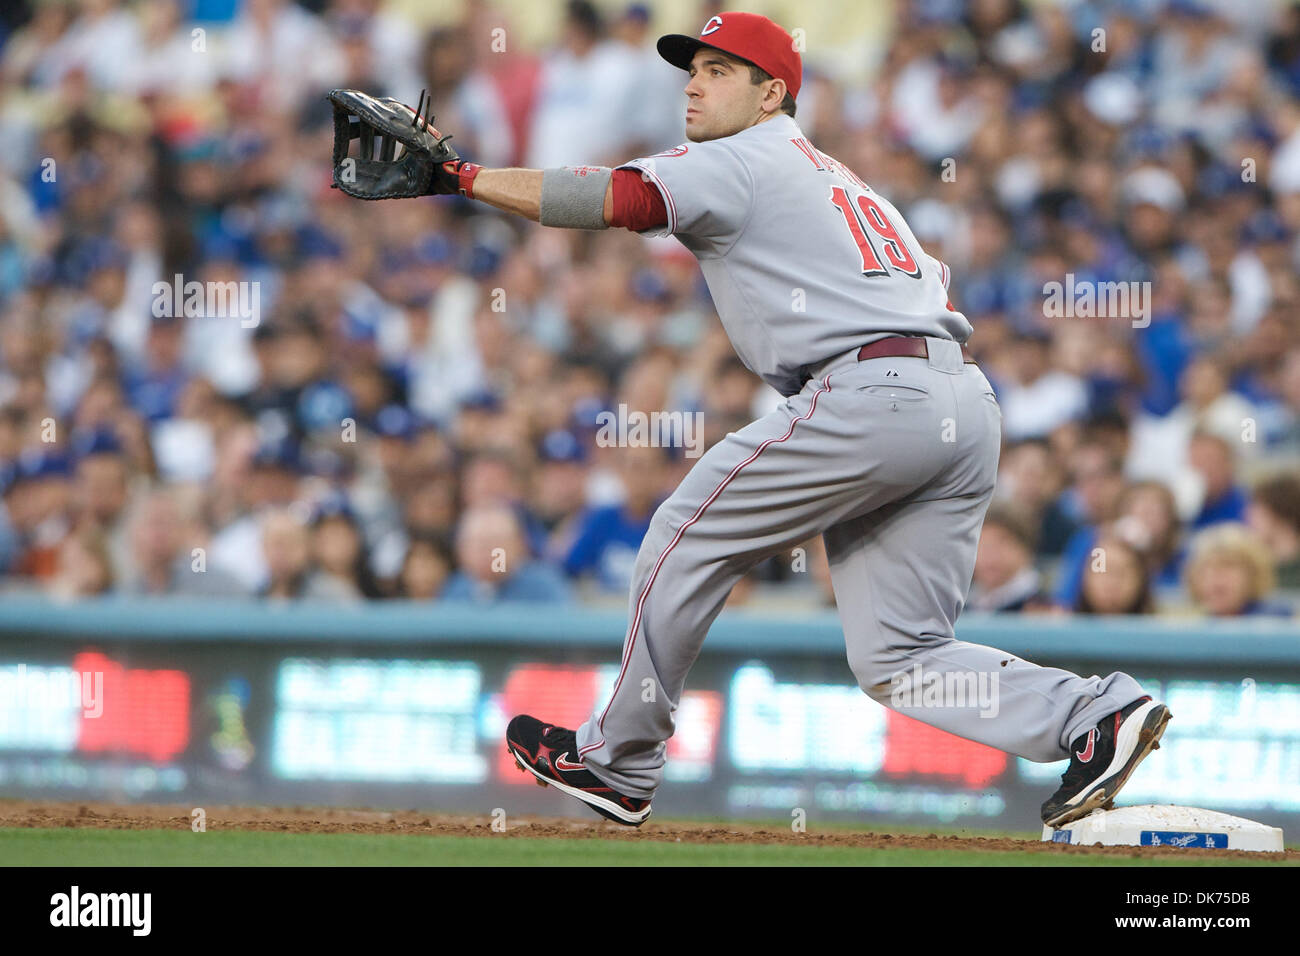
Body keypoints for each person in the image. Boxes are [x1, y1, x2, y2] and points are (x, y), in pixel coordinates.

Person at [339, 11, 1170, 828]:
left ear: (772, 93)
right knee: (901, 656)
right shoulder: (845, 181)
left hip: (872, 394)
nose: (695, 86)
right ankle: (1091, 719)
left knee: (681, 533)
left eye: (719, 71)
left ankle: (619, 759)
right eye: (692, 69)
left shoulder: (742, 155)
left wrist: (462, 178)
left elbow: (619, 199)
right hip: (958, 400)